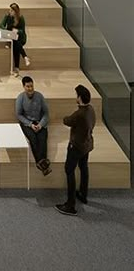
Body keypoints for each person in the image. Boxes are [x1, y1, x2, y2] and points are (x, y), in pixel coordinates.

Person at [56, 85, 96, 216]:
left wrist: (65, 118)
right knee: (84, 168)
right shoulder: (90, 109)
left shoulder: (79, 114)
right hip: (87, 145)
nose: (76, 97)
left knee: (69, 170)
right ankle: (83, 194)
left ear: (80, 97)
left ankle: (70, 204)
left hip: (77, 146)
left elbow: (67, 120)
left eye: (76, 95)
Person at [16, 76, 52, 175]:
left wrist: (40, 125)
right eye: (28, 86)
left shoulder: (40, 96)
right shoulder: (20, 98)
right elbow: (19, 115)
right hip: (27, 123)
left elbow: (46, 113)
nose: (30, 88)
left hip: (39, 122)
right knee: (33, 139)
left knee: (43, 139)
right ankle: (43, 164)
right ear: (23, 87)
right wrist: (30, 124)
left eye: (31, 86)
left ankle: (40, 164)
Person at [0, 3, 30, 77]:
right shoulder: (7, 16)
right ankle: (24, 58)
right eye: (9, 10)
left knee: (16, 44)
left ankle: (17, 67)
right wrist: (7, 30)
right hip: (10, 36)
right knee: (15, 43)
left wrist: (17, 31)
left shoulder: (21, 18)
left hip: (20, 37)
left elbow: (22, 31)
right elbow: (1, 25)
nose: (9, 12)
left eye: (11, 10)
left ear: (15, 12)